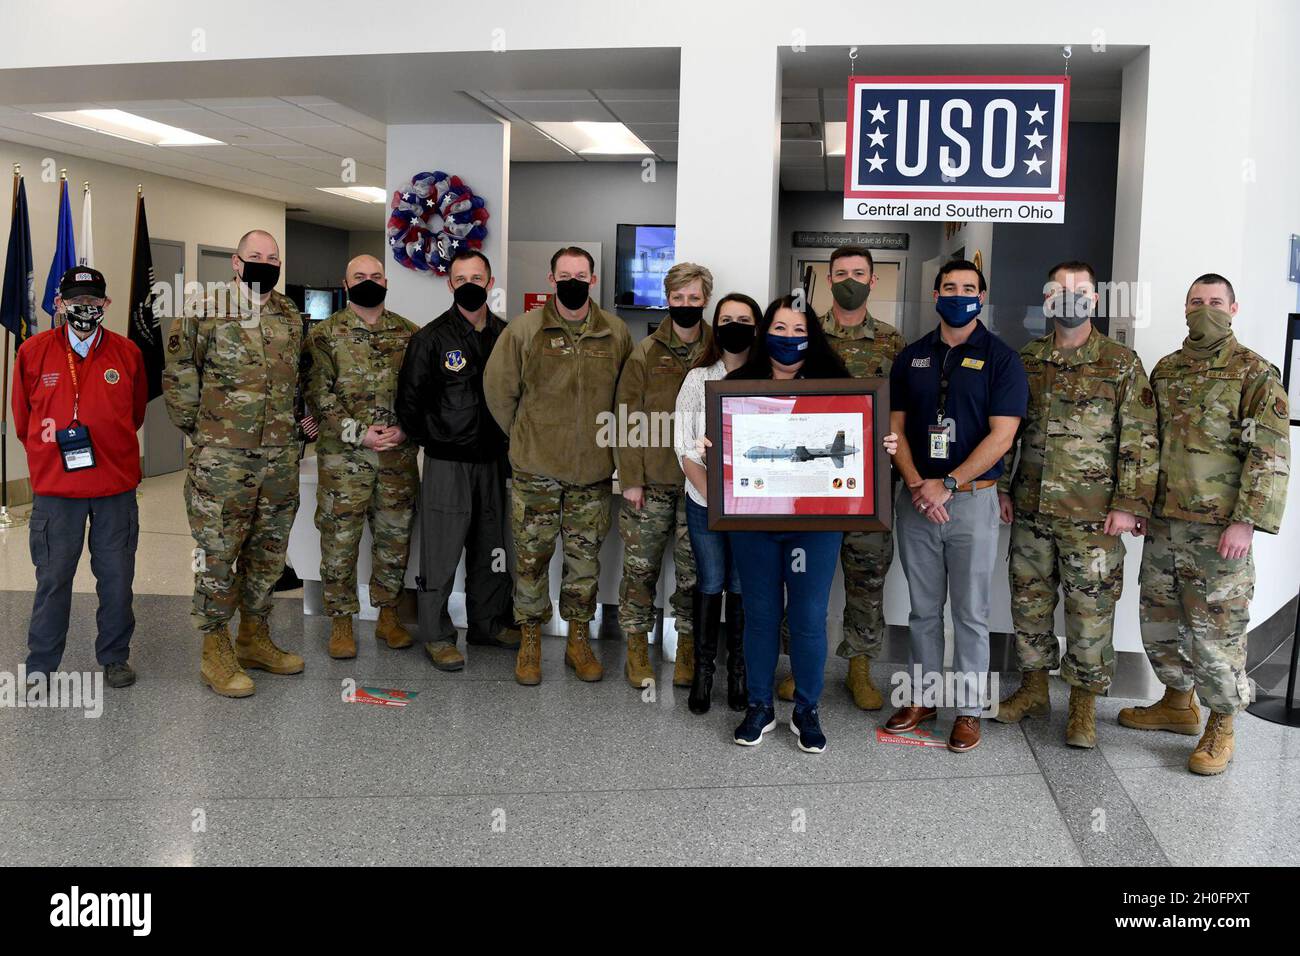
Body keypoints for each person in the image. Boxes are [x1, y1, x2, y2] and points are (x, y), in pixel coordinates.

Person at [1120, 274, 1290, 775]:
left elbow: (1270, 453)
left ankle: (1222, 722)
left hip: (1220, 532)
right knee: (1160, 622)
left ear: (1233, 308)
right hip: (1164, 524)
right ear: (1185, 308)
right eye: (1197, 302)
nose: (1205, 309)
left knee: (1217, 630)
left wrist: (1247, 523)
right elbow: (1144, 442)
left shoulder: (1254, 372)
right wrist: (1137, 503)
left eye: (1215, 302)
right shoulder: (1167, 370)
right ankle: (1177, 704)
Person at [995, 260, 1159, 748]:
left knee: (1090, 615)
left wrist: (1131, 503)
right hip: (1031, 509)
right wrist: (1002, 486)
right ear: (1047, 299)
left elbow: (1141, 439)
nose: (1070, 298)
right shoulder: (1026, 359)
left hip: (1095, 518)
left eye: (1080, 291)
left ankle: (1083, 708)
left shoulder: (1121, 362)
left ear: (1095, 299)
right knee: (1029, 605)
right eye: (1060, 290)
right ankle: (1034, 690)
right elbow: (1008, 430)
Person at [883, 259, 1027, 753]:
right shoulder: (912, 357)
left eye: (968, 288)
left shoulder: (1003, 359)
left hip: (970, 502)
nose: (958, 294)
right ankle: (923, 697)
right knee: (923, 610)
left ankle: (968, 709)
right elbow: (894, 429)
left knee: (970, 612)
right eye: (949, 287)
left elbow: (1002, 435)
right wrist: (919, 484)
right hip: (917, 500)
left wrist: (947, 482)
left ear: (981, 298)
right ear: (935, 294)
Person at [164, 229, 305, 698]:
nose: (266, 263)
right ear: (236, 262)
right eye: (256, 256)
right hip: (222, 464)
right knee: (218, 555)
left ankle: (253, 637)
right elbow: (181, 381)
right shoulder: (204, 312)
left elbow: (296, 385)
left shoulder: (288, 314)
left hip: (280, 460)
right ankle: (215, 648)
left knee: (268, 554)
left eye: (273, 256)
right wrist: (207, 437)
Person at [483, 246, 633, 685]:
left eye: (581, 274)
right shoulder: (525, 330)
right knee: (531, 561)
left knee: (584, 564)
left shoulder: (615, 332)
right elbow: (499, 392)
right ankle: (530, 640)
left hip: (592, 473)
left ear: (593, 280)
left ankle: (577, 641)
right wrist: (526, 436)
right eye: (564, 274)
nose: (573, 280)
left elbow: (626, 399)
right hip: (536, 473)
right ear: (551, 280)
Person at [725, 295, 851, 754]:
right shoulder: (737, 385)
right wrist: (711, 446)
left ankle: (806, 709)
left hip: (815, 523)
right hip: (754, 519)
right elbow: (723, 451)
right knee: (759, 617)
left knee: (808, 618)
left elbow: (860, 440)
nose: (789, 339)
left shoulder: (838, 385)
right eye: (780, 329)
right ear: (765, 333)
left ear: (812, 336)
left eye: (799, 331)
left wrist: (885, 443)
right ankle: (759, 707)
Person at [13, 267, 147, 691]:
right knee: (52, 579)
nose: (84, 309)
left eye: (92, 302)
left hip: (114, 489)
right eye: (75, 301)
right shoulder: (33, 352)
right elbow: (22, 420)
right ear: (59, 303)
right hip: (57, 491)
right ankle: (41, 663)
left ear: (105, 305)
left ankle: (114, 657)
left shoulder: (127, 354)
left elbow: (136, 413)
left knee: (116, 577)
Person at [395, 249, 517, 670]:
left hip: (494, 461)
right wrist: (440, 439)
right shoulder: (430, 338)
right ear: (450, 284)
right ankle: (437, 633)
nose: (469, 284)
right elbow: (409, 404)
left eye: (477, 277)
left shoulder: (506, 335)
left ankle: (487, 624)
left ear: (490, 282)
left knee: (492, 550)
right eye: (460, 278)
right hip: (448, 463)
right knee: (442, 552)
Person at [802, 244, 907, 713]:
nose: (850, 280)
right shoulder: (804, 334)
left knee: (866, 579)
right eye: (841, 272)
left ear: (873, 280)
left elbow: (902, 414)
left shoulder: (891, 341)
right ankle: (801, 668)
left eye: (858, 273)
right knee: (805, 581)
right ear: (828, 279)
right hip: (811, 483)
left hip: (870, 488)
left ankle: (859, 669)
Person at [303, 255, 418, 660]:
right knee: (339, 543)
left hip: (396, 460)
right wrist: (359, 434)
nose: (368, 282)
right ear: (345, 283)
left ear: (386, 281)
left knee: (394, 541)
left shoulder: (409, 333)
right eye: (359, 277)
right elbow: (318, 395)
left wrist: (406, 428)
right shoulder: (324, 335)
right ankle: (341, 622)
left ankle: (388, 615)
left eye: (375, 276)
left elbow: (419, 394)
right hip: (344, 463)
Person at [614, 262, 710, 693]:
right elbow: (625, 418)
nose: (686, 305)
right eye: (679, 298)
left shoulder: (720, 349)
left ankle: (687, 646)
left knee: (694, 573)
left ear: (705, 299)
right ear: (667, 299)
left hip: (701, 486)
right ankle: (636, 645)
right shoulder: (645, 352)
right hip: (650, 482)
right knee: (640, 570)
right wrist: (630, 478)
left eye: (694, 298)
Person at [674, 293, 761, 713]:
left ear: (756, 327)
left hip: (752, 506)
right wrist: (715, 501)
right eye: (727, 319)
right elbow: (685, 449)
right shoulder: (698, 378)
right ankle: (703, 674)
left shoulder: (768, 376)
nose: (735, 326)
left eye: (744, 319)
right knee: (710, 583)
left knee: (742, 585)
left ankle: (738, 673)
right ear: (715, 324)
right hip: (704, 500)